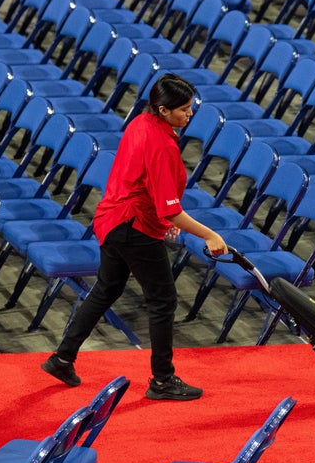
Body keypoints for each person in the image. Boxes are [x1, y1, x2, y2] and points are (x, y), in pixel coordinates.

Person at [41, 74, 227, 400]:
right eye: (184, 109)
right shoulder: (161, 144)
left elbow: (149, 190)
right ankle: (162, 380)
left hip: (113, 218)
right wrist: (210, 235)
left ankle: (62, 358)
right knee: (163, 300)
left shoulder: (142, 122)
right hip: (133, 228)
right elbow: (170, 211)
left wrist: (162, 217)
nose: (190, 114)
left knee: (106, 289)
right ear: (163, 109)